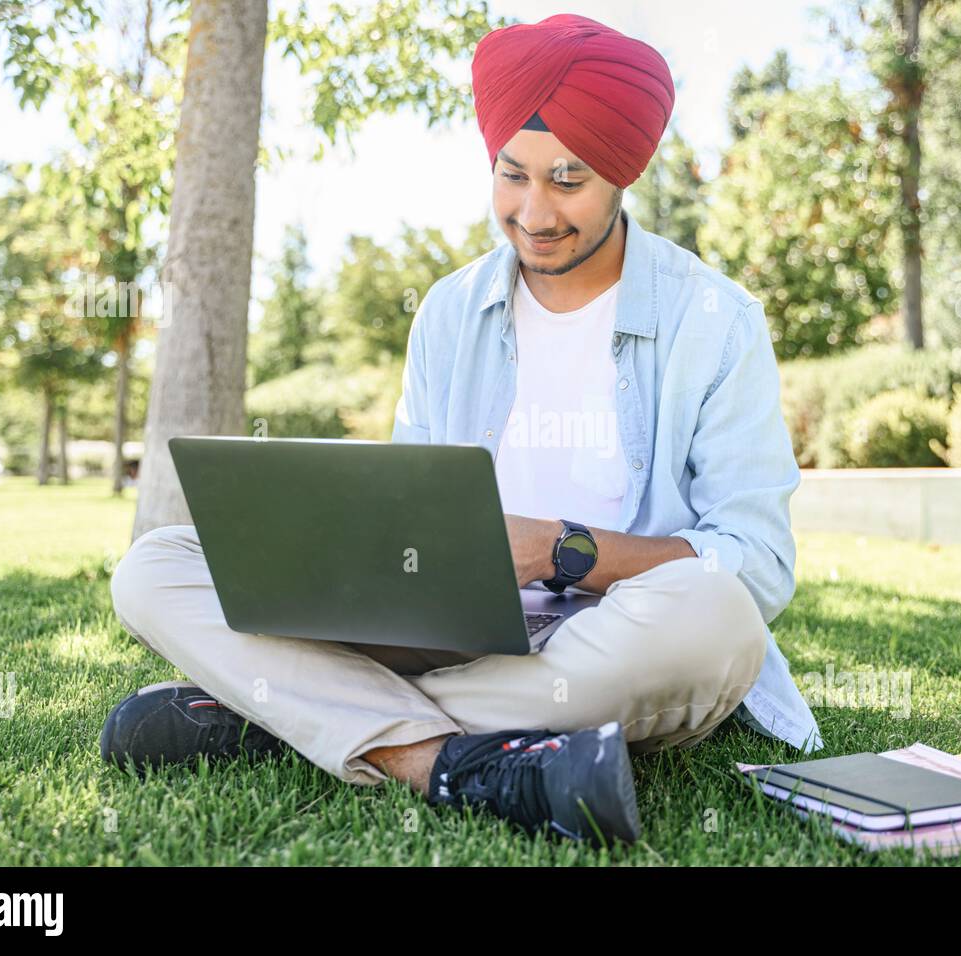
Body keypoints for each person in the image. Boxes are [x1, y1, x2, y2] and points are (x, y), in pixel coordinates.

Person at [103, 12, 821, 847]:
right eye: (511, 175)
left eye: (568, 179)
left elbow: (760, 566)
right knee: (155, 566)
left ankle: (280, 719)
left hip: (608, 640)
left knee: (716, 616)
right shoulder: (450, 310)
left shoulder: (716, 321)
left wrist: (561, 548)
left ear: (624, 174)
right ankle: (451, 761)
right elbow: (410, 514)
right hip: (444, 640)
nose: (535, 212)